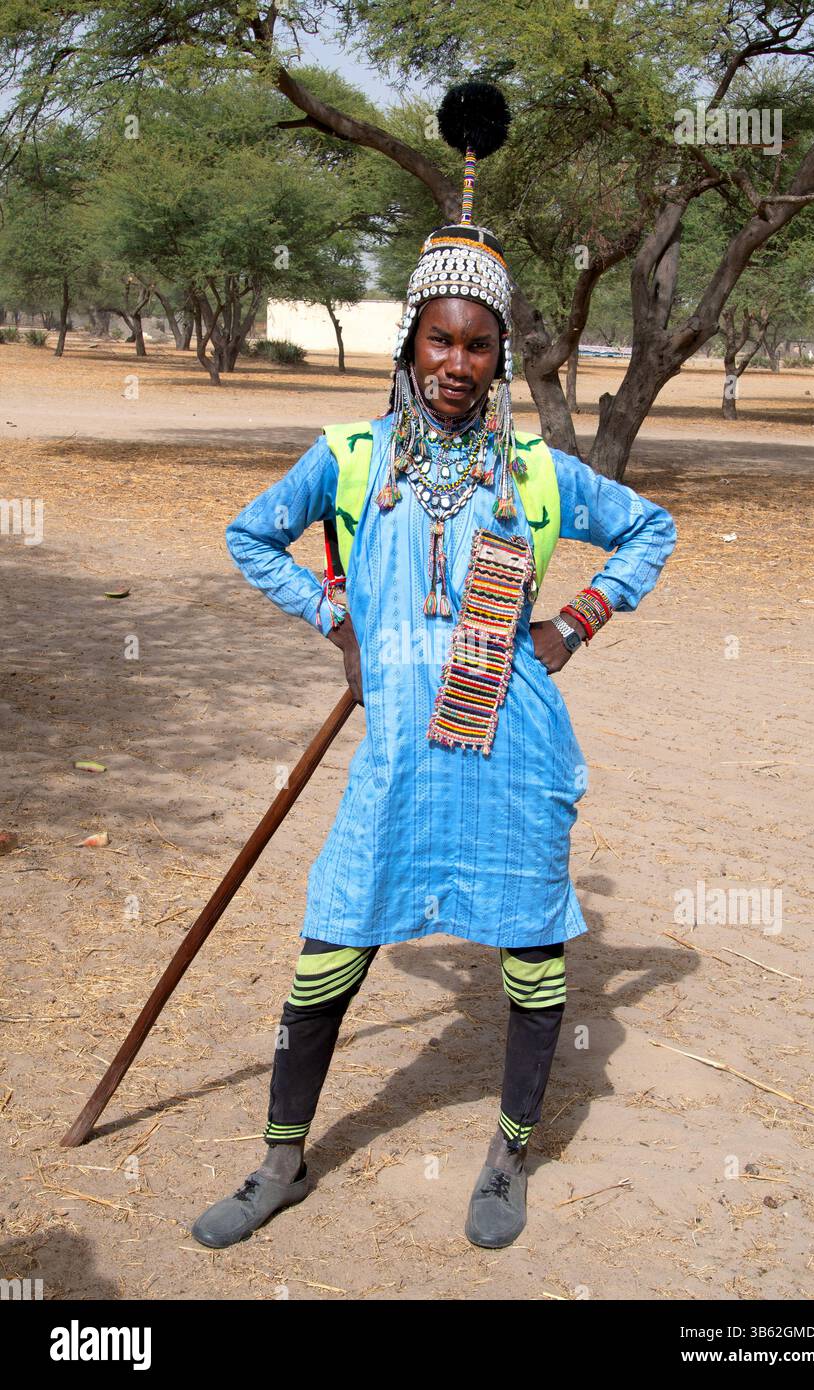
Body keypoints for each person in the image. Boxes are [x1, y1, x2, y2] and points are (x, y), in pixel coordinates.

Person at [191, 82, 676, 1253]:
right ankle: (279, 1159)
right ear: (411, 343)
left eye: (478, 344)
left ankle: (507, 1154)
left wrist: (573, 625)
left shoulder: (541, 473)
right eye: (439, 339)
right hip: (399, 755)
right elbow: (248, 534)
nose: (456, 362)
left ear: (500, 353)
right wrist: (338, 623)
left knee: (530, 953)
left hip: (510, 749)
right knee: (330, 948)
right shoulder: (349, 457)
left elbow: (652, 530)